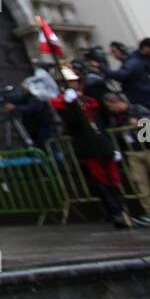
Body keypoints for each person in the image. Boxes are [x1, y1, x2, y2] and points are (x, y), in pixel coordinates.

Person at [52, 70, 135, 229]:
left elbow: (98, 121)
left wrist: (109, 143)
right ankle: (114, 212)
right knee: (101, 180)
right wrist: (70, 105)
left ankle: (124, 211)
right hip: (87, 145)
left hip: (102, 142)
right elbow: (71, 124)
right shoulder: (62, 102)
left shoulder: (89, 101)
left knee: (114, 179)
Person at [102, 92, 150, 223]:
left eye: (111, 106)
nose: (111, 109)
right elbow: (116, 133)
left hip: (149, 147)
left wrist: (140, 123)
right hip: (132, 151)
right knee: (140, 182)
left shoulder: (136, 109)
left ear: (116, 102)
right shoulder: (115, 118)